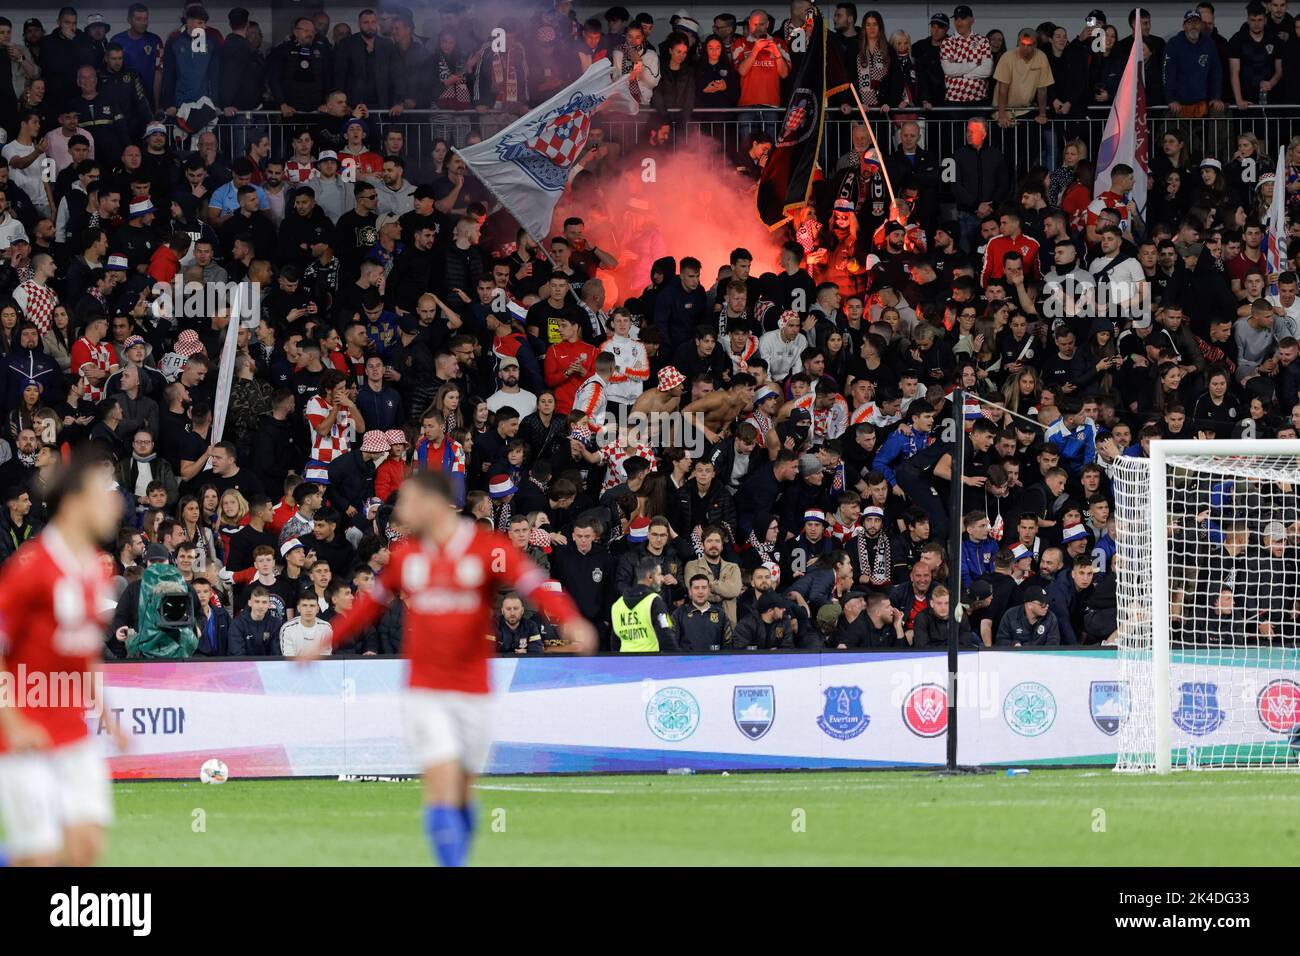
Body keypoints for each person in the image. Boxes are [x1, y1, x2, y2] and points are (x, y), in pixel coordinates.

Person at [296, 471, 596, 867]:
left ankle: (460, 855)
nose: (400, 513)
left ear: (433, 504)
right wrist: (325, 639)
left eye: (408, 503)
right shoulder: (407, 557)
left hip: (474, 688)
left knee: (461, 795)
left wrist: (570, 619)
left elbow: (534, 585)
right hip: (425, 688)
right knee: (440, 785)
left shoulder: (486, 548)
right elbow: (370, 604)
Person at [0, 452, 128, 866]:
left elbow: (84, 652)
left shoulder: (94, 568)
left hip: (72, 733)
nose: (116, 504)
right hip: (24, 736)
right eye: (102, 496)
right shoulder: (31, 566)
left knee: (85, 846)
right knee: (41, 858)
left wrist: (107, 713)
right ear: (73, 503)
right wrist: (12, 721)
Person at [611, 554, 678, 652]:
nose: (662, 579)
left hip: (625, 663)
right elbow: (665, 635)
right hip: (650, 662)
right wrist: (679, 660)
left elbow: (615, 641)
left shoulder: (617, 605)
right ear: (650, 577)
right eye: (659, 574)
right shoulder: (654, 601)